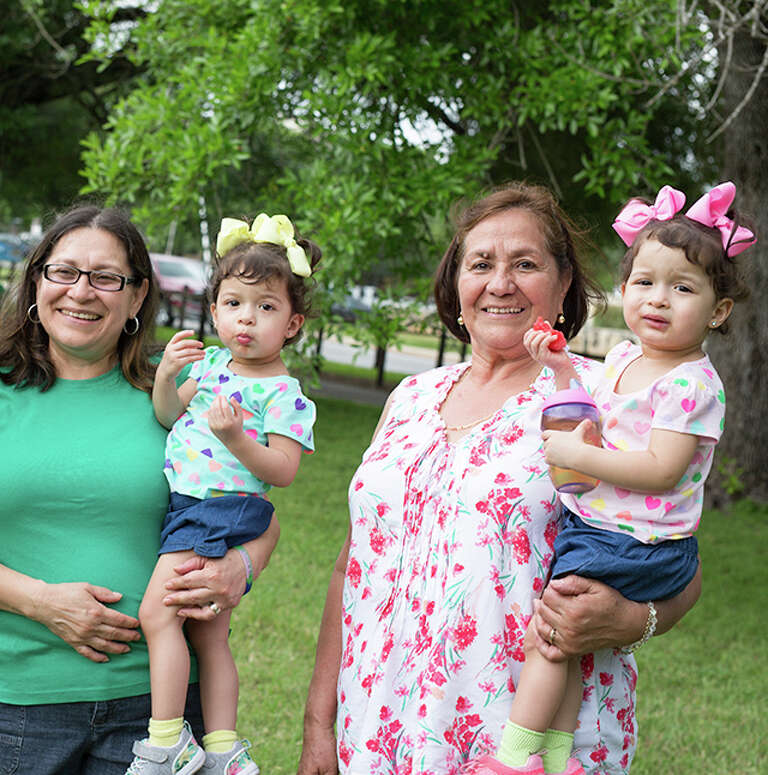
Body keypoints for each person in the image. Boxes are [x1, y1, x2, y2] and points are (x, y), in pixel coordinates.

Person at [297, 182, 704, 775]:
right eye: (481, 263)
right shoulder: (412, 395)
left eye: (526, 264)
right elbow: (351, 565)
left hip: (525, 750)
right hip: (378, 734)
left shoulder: (604, 396)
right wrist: (318, 725)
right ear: (456, 282)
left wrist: (628, 621)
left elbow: (677, 562)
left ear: (564, 283)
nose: (500, 283)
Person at [0, 204, 280, 775]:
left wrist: (241, 568)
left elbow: (252, 507)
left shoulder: (182, 386)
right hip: (20, 705)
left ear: (136, 298)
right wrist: (44, 603)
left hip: (157, 716)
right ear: (37, 282)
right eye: (64, 272)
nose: (81, 292)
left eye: (106, 278)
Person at [469, 182, 753, 775]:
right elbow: (589, 412)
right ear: (624, 290)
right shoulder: (624, 359)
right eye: (645, 283)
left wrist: (579, 456)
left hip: (639, 543)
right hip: (601, 527)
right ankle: (557, 757)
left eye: (682, 288)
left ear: (718, 311)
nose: (658, 299)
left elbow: (660, 469)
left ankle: (516, 758)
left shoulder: (692, 385)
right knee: (564, 646)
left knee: (549, 638)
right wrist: (562, 367)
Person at [129, 214, 319, 775]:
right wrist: (167, 377)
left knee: (157, 616)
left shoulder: (283, 393)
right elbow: (168, 415)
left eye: (266, 307)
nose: (247, 319)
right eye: (234, 303)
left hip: (219, 511)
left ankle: (167, 742)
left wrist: (236, 437)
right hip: (191, 508)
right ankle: (223, 749)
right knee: (209, 636)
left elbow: (283, 472)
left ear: (292, 323)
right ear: (214, 311)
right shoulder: (210, 365)